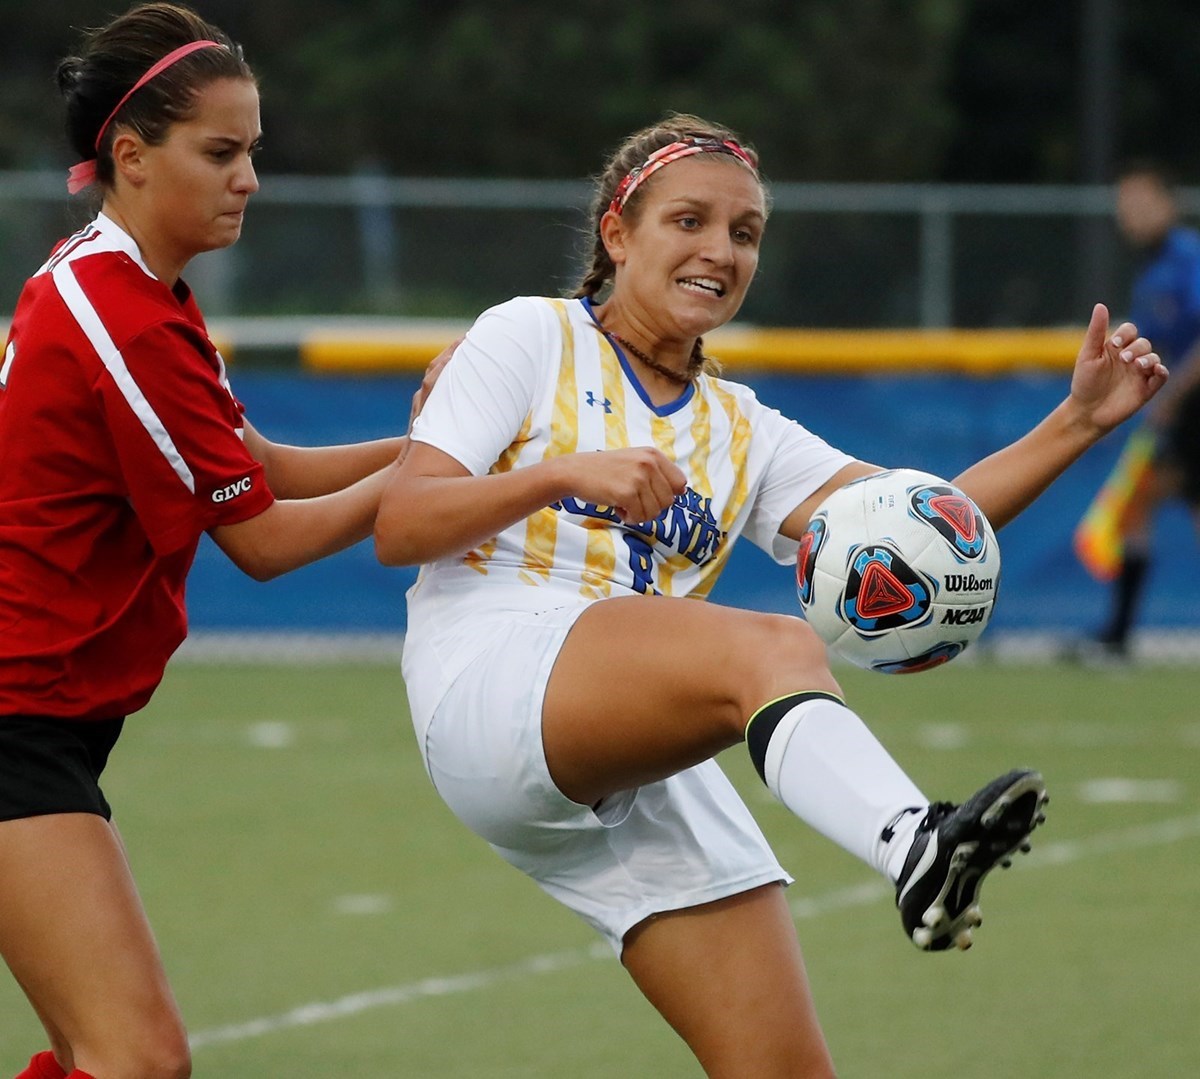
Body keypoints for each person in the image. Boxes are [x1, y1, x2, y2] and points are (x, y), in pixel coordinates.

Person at [374, 114, 1167, 1077]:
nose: (720, 248)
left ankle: (919, 851)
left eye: (745, 232)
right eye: (690, 220)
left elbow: (926, 526)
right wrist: (564, 473)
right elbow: (403, 523)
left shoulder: (741, 426)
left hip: (626, 752)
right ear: (618, 234)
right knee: (774, 648)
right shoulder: (527, 336)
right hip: (488, 678)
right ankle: (917, 846)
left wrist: (1077, 422)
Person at [0, 6, 442, 1078]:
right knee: (137, 1057)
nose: (249, 177)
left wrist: (453, 435)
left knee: (105, 1053)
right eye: (221, 151)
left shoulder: (138, 288)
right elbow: (265, 537)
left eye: (253, 152)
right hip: (12, 721)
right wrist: (479, 473)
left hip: (49, 712)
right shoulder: (119, 314)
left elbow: (266, 464)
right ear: (132, 157)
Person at [1079, 160, 1200, 659]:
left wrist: (1171, 399)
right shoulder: (1150, 273)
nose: (1132, 214)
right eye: (1124, 205)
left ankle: (1118, 634)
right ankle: (1119, 634)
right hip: (1181, 407)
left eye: (1142, 202)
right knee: (1138, 505)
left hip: (1193, 404)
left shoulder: (1188, 258)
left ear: (1168, 204)